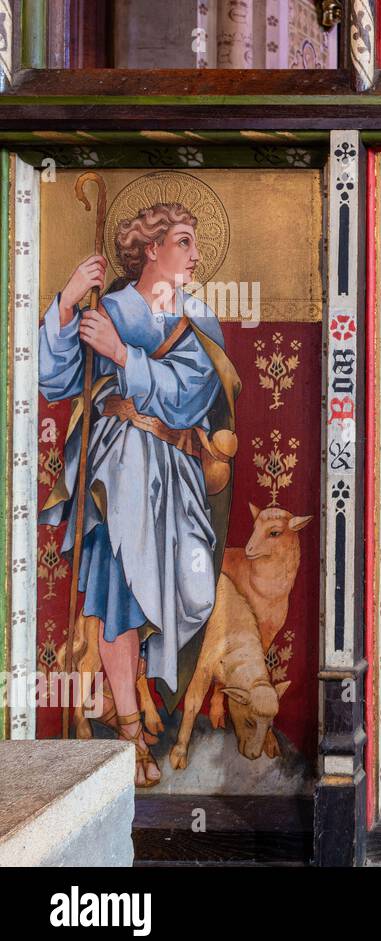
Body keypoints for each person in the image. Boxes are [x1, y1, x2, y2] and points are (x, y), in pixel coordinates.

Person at [39, 202, 238, 787]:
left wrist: (124, 356)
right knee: (120, 594)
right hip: (115, 475)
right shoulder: (111, 308)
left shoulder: (197, 317)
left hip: (174, 470)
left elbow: (194, 394)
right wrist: (71, 300)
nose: (194, 254)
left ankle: (144, 709)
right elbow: (54, 379)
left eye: (195, 242)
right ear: (151, 249)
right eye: (183, 241)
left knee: (184, 588)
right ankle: (129, 730)